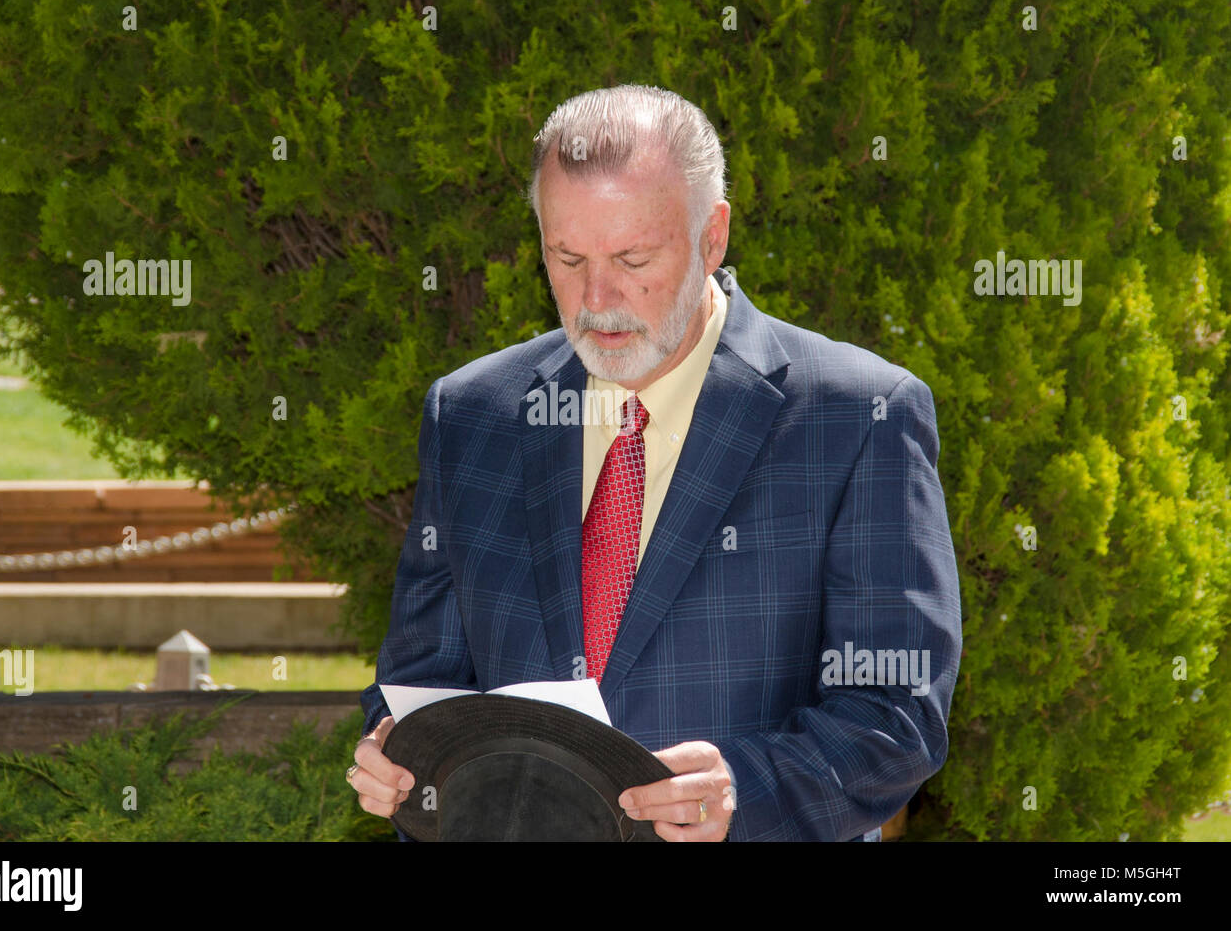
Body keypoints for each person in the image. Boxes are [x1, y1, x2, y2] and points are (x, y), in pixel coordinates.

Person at [348, 84, 962, 841]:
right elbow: (423, 680)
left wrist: (743, 787)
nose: (596, 298)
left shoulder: (858, 416)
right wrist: (394, 750)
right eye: (566, 258)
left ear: (713, 236)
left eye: (633, 257)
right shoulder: (472, 414)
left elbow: (897, 716)